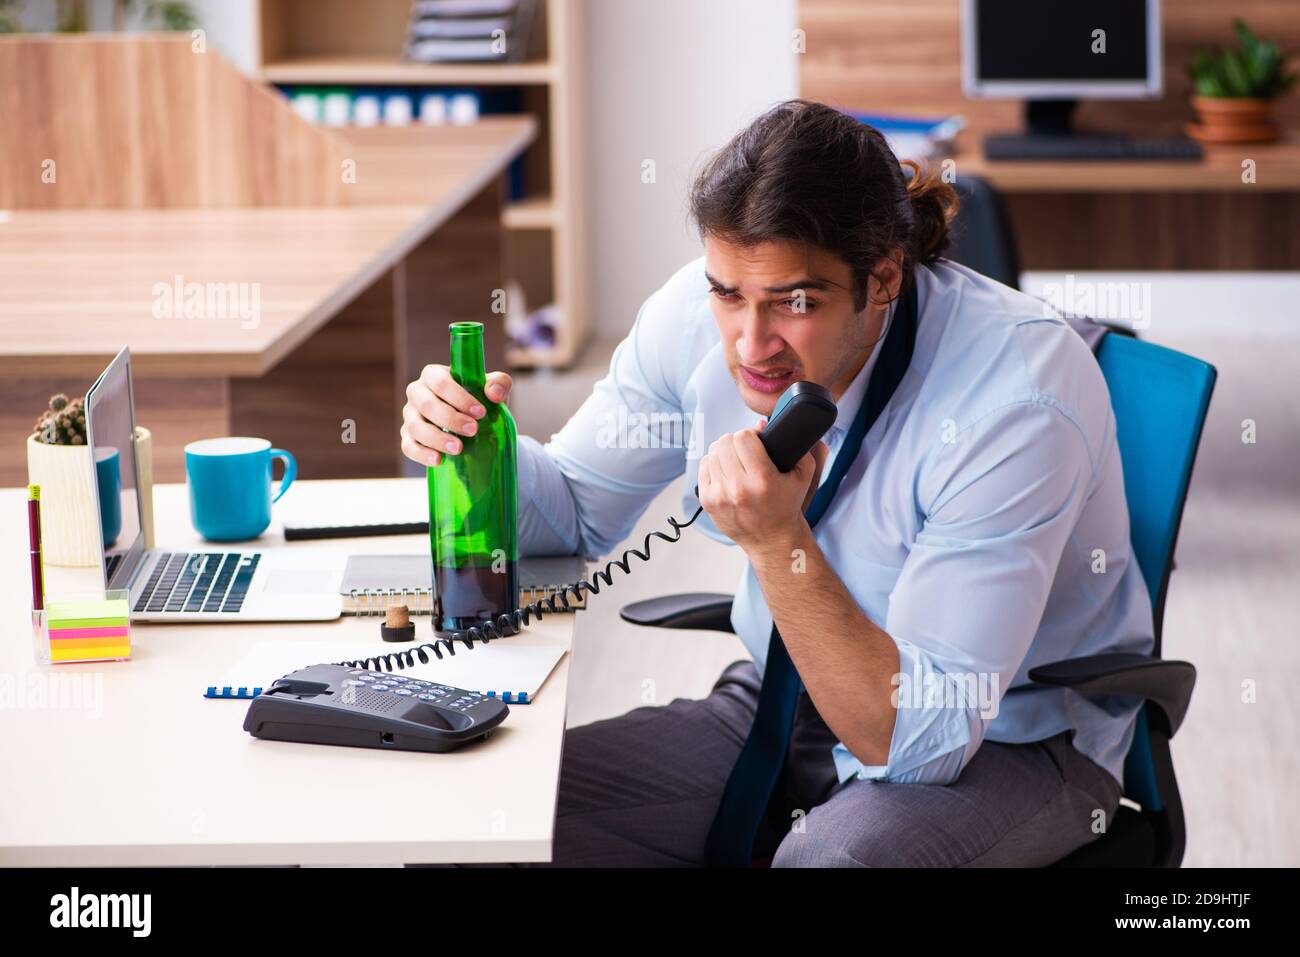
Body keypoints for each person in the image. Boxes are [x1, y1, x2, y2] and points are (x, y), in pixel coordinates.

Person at [400, 100, 1153, 867]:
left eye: (795, 302)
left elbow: (917, 739)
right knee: (488, 813)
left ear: (884, 276)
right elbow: (568, 516)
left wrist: (777, 540)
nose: (750, 345)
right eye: (728, 293)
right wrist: (470, 442)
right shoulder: (698, 317)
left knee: (835, 861)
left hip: (1011, 740)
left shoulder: (1018, 397)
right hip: (782, 702)